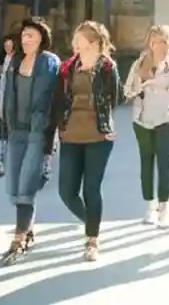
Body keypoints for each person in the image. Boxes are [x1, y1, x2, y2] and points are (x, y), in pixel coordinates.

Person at [53, 20, 120, 262]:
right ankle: (92, 220)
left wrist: (104, 118)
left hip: (99, 136)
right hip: (70, 134)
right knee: (66, 191)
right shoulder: (68, 67)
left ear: (93, 42)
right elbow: (60, 99)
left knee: (91, 188)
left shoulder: (107, 67)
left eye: (79, 40)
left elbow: (116, 98)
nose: (75, 44)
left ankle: (92, 238)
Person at [0, 17, 60, 266]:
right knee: (14, 184)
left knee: (27, 184)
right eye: (24, 35)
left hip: (38, 131)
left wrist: (51, 138)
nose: (26, 40)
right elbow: (6, 95)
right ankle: (29, 227)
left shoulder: (49, 62)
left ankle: (19, 238)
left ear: (42, 39)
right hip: (16, 131)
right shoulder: (14, 61)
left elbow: (56, 100)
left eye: (31, 36)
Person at [123, 24, 169, 229]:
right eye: (156, 40)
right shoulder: (140, 63)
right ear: (149, 42)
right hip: (142, 120)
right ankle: (149, 206)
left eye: (164, 40)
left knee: (165, 165)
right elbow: (127, 91)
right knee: (146, 163)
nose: (160, 44)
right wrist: (142, 84)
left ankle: (163, 209)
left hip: (165, 121)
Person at [0, 33, 16, 178]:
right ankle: (3, 160)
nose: (8, 48)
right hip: (1, 100)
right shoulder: (3, 60)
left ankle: (4, 161)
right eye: (6, 45)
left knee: (9, 133)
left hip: (11, 102)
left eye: (10, 45)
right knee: (3, 133)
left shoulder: (17, 61)